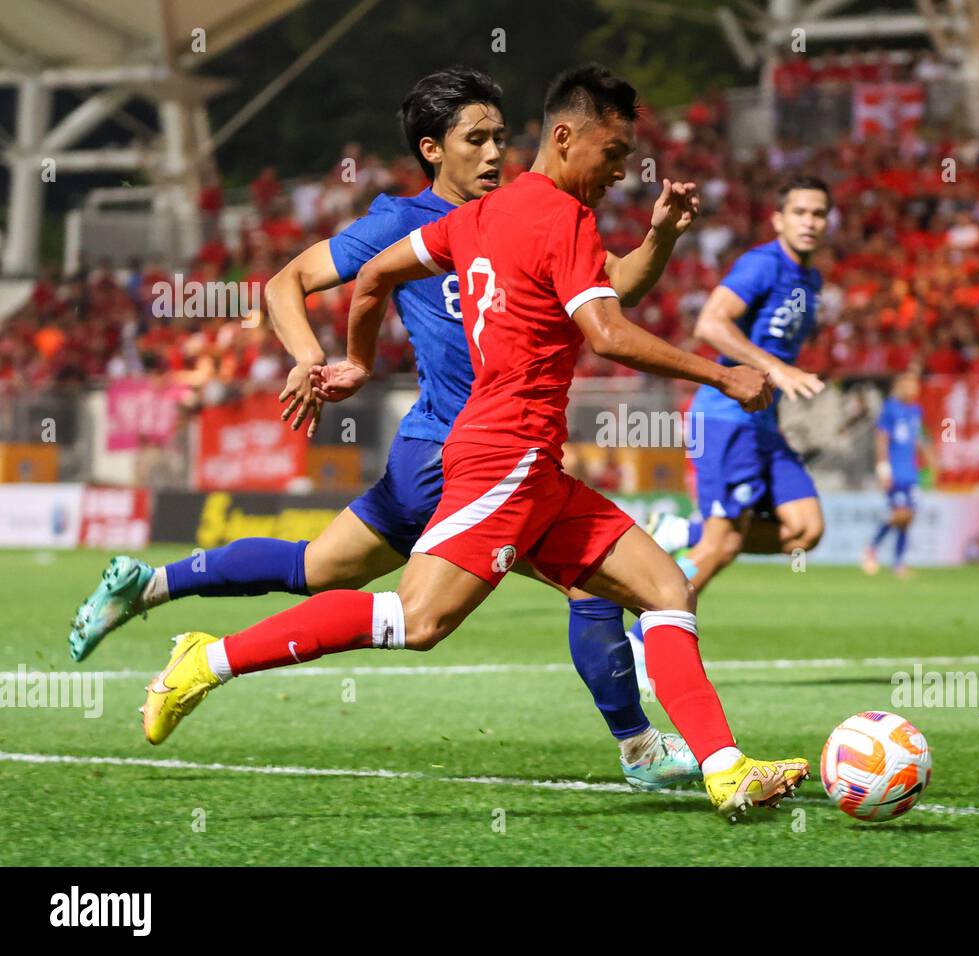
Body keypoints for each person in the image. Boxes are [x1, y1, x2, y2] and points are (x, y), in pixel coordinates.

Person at [139, 64, 809, 821]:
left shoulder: (486, 214)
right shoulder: (560, 217)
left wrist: (358, 359)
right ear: (565, 136)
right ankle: (208, 659)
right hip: (501, 453)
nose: (624, 171)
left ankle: (724, 768)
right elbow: (607, 331)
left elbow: (377, 278)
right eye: (615, 153)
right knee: (415, 622)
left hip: (531, 463)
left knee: (665, 588)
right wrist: (722, 377)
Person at [630, 178, 831, 663]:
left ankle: (685, 531)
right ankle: (641, 641)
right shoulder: (763, 264)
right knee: (725, 545)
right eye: (799, 212)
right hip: (726, 417)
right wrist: (777, 370)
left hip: (763, 423)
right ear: (778, 220)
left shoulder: (812, 280)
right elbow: (711, 325)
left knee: (806, 530)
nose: (810, 221)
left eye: (819, 214)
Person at [863, 370, 927, 578]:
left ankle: (898, 563)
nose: (915, 389)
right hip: (896, 470)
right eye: (911, 385)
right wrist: (883, 468)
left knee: (908, 518)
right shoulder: (891, 408)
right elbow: (881, 439)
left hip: (910, 471)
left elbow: (916, 438)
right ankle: (872, 547)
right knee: (900, 514)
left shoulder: (916, 410)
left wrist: (929, 457)